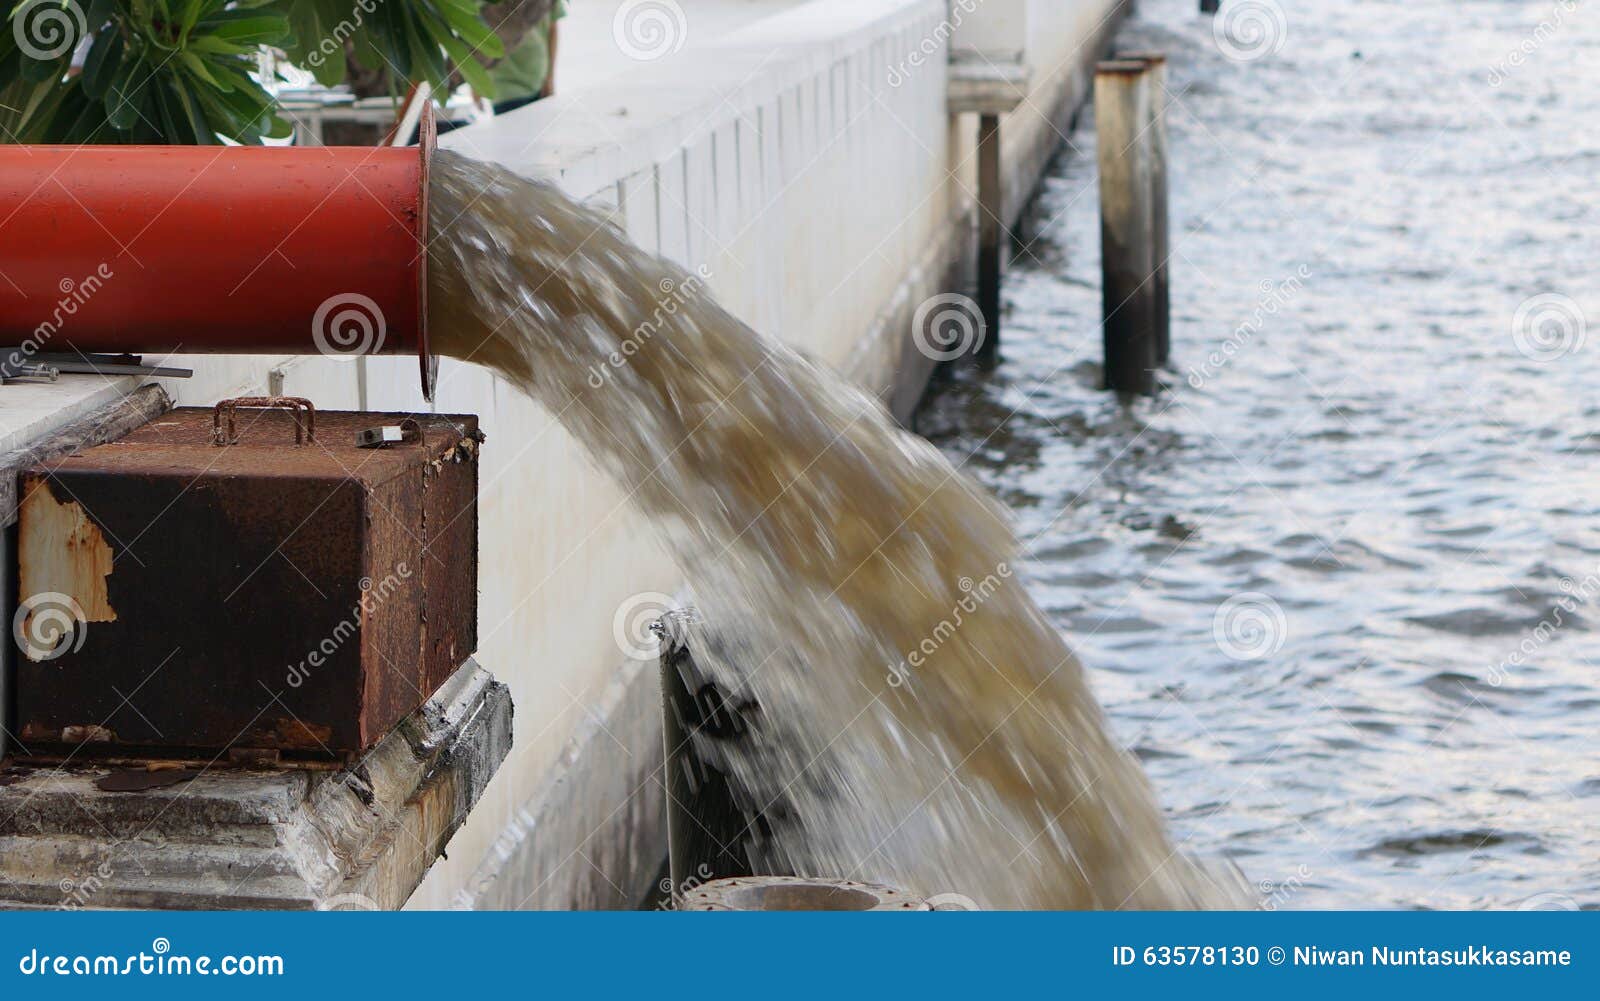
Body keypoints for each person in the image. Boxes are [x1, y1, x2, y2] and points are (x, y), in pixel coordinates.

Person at [488, 0, 567, 115]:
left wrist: (549, 78)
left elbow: (552, 29)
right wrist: (474, 81)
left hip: (539, 81)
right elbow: (477, 26)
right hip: (505, 85)